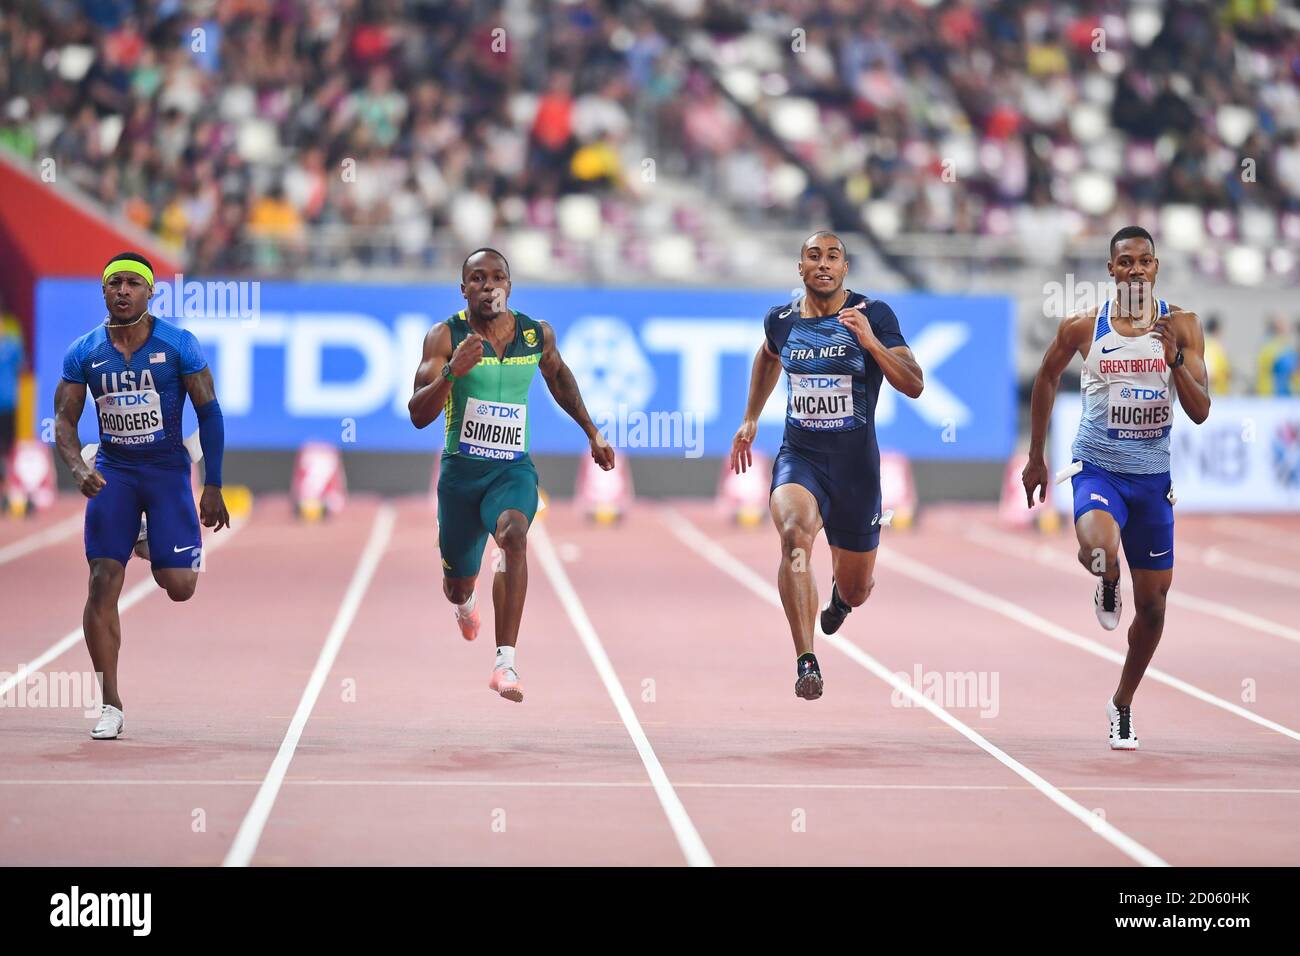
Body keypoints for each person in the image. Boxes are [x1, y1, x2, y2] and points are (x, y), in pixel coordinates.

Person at [1022, 226, 1210, 751]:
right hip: (1097, 468)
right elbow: (1045, 376)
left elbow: (1200, 412)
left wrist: (1174, 360)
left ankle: (1121, 703)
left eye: (1144, 261)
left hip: (1152, 480)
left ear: (1156, 268)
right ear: (1110, 270)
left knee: (1153, 608)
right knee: (1101, 549)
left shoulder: (1185, 327)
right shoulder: (1085, 327)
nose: (1134, 270)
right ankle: (1107, 579)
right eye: (1124, 261)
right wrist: (1037, 456)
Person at [409, 247, 613, 702]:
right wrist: (450, 373)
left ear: (509, 286)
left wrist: (592, 432)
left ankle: (505, 662)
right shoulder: (445, 336)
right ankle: (465, 603)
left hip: (511, 470)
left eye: (497, 277)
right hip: (461, 476)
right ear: (463, 289)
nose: (488, 286)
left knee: (514, 534)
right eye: (477, 279)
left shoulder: (534, 334)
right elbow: (417, 414)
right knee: (457, 583)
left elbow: (559, 378)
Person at [730, 232, 924, 700]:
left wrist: (871, 343)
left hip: (857, 470)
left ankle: (840, 601)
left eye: (832, 257)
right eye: (813, 257)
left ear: (845, 268)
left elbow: (914, 384)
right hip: (802, 459)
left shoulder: (874, 314)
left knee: (858, 588)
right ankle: (806, 660)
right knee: (795, 534)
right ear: (800, 269)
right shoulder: (780, 320)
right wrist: (751, 417)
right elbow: (768, 356)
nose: (823, 264)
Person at [53, 252, 230, 739]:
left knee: (180, 585)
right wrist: (76, 465)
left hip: (168, 469)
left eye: (134, 284)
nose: (124, 292)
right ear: (104, 292)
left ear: (150, 292)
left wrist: (212, 483)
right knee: (101, 581)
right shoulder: (84, 352)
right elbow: (64, 421)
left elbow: (210, 413)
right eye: (115, 284)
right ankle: (110, 702)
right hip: (114, 470)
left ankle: (148, 533)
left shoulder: (178, 346)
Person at [0, 292, 23, 485]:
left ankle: (8, 481)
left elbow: (21, 365)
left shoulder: (12, 335)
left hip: (8, 400)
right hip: (8, 398)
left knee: (8, 444)